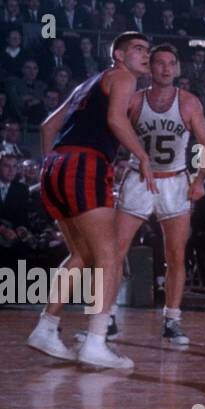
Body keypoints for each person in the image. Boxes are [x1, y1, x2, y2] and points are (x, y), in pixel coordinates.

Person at [26, 32, 155, 370]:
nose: (145, 55)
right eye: (138, 49)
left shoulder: (88, 83)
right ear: (118, 54)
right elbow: (115, 119)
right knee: (110, 256)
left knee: (82, 254)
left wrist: (53, 164)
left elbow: (47, 126)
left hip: (54, 166)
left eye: (148, 50)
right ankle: (96, 342)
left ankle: (47, 327)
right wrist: (142, 155)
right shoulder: (123, 76)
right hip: (84, 164)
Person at [114, 43, 205, 344]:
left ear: (178, 68)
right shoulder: (133, 100)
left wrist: (199, 179)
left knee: (176, 255)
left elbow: (204, 145)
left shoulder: (190, 102)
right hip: (138, 178)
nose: (166, 68)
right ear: (150, 66)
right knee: (114, 252)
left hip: (174, 181)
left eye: (172, 63)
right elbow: (114, 131)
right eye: (160, 63)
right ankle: (105, 318)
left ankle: (172, 319)